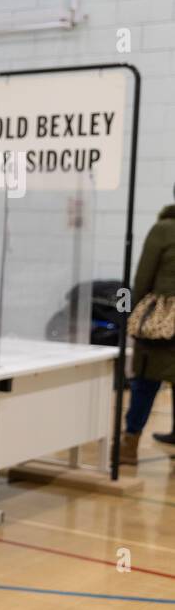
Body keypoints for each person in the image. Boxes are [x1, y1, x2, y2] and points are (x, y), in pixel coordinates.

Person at [121, 192, 175, 463]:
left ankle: (129, 443)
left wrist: (131, 315)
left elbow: (142, 278)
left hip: (163, 322)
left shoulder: (164, 229)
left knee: (145, 381)